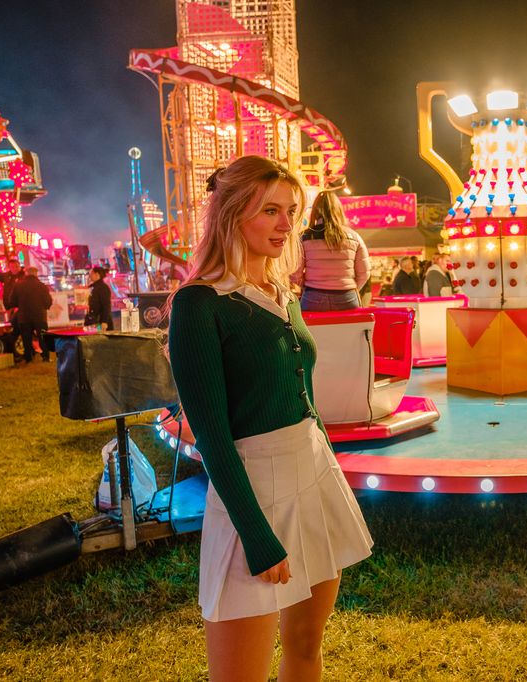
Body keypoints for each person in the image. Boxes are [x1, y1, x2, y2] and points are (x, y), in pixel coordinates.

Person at [166, 156, 373, 681]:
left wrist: (332, 475)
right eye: (271, 211)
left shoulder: (285, 295)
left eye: (292, 211)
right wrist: (256, 537)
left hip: (314, 476)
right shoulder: (199, 303)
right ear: (233, 215)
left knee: (306, 646)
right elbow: (212, 437)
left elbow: (305, 397)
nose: (288, 225)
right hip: (252, 490)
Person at [296, 190, 370, 311]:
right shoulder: (354, 237)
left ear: (315, 211)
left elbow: (294, 272)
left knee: (313, 330)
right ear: (339, 210)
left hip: (313, 296)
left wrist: (307, 285)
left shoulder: (304, 237)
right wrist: (350, 288)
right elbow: (364, 273)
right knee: (349, 330)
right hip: (347, 297)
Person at [10, 266, 53, 364]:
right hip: (39, 316)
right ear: (36, 273)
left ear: (26, 273)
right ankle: (45, 356)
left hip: (24, 316)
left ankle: (28, 358)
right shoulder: (42, 286)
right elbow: (48, 301)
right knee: (43, 337)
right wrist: (45, 307)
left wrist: (20, 305)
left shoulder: (18, 285)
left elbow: (12, 301)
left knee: (26, 338)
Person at [84, 266, 114, 330]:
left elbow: (106, 305)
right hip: (94, 320)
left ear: (97, 275)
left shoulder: (103, 288)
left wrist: (104, 321)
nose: (89, 276)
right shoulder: (93, 287)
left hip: (100, 321)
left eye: (91, 274)